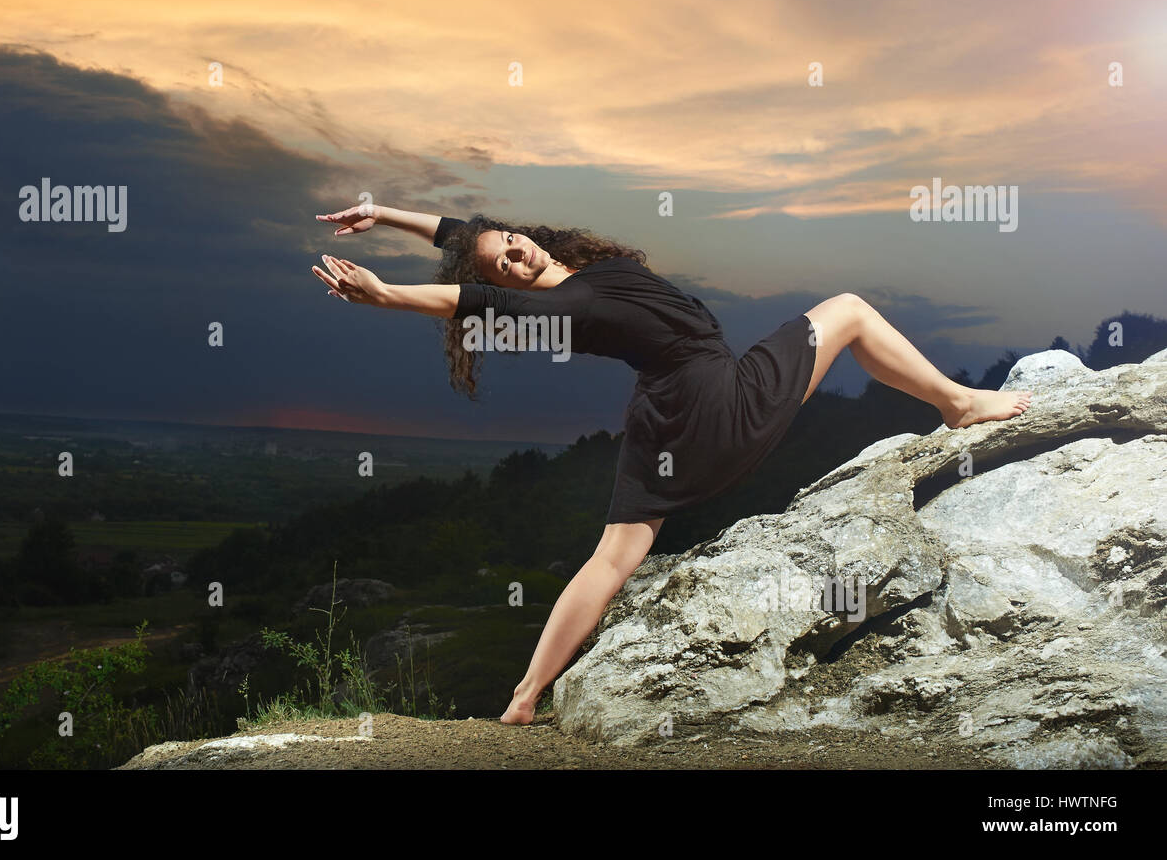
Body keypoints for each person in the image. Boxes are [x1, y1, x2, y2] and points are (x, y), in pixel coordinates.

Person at [311, 204, 1032, 725]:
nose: (512, 253)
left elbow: (460, 235)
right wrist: (387, 294)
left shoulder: (575, 267)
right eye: (503, 264)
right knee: (847, 309)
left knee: (615, 555)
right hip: (715, 400)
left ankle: (524, 696)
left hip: (674, 411)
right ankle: (958, 404)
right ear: (507, 285)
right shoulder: (563, 306)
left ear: (524, 234)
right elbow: (463, 297)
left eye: (511, 241)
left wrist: (384, 211)